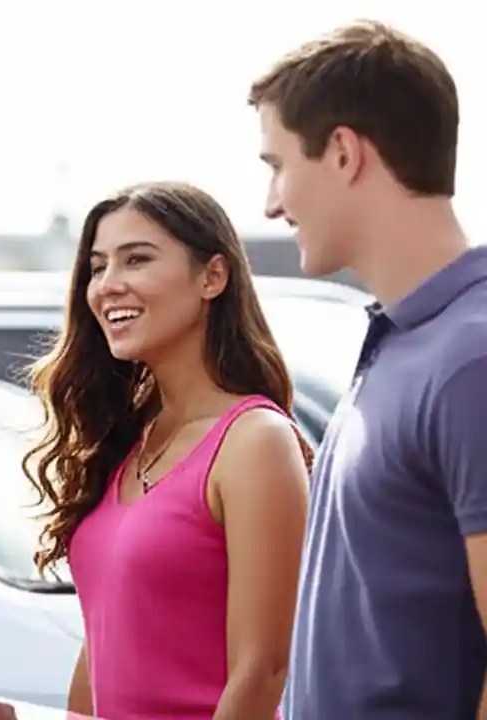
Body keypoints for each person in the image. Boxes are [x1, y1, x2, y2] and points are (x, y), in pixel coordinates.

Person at [250, 19, 487, 719]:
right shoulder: (401, 340)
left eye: (277, 165)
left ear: (345, 153)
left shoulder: (470, 360)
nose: (270, 202)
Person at [22, 181, 312, 719]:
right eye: (98, 266)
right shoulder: (129, 440)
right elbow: (101, 648)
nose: (108, 285)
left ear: (212, 276)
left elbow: (263, 670)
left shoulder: (254, 441)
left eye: (136, 260)